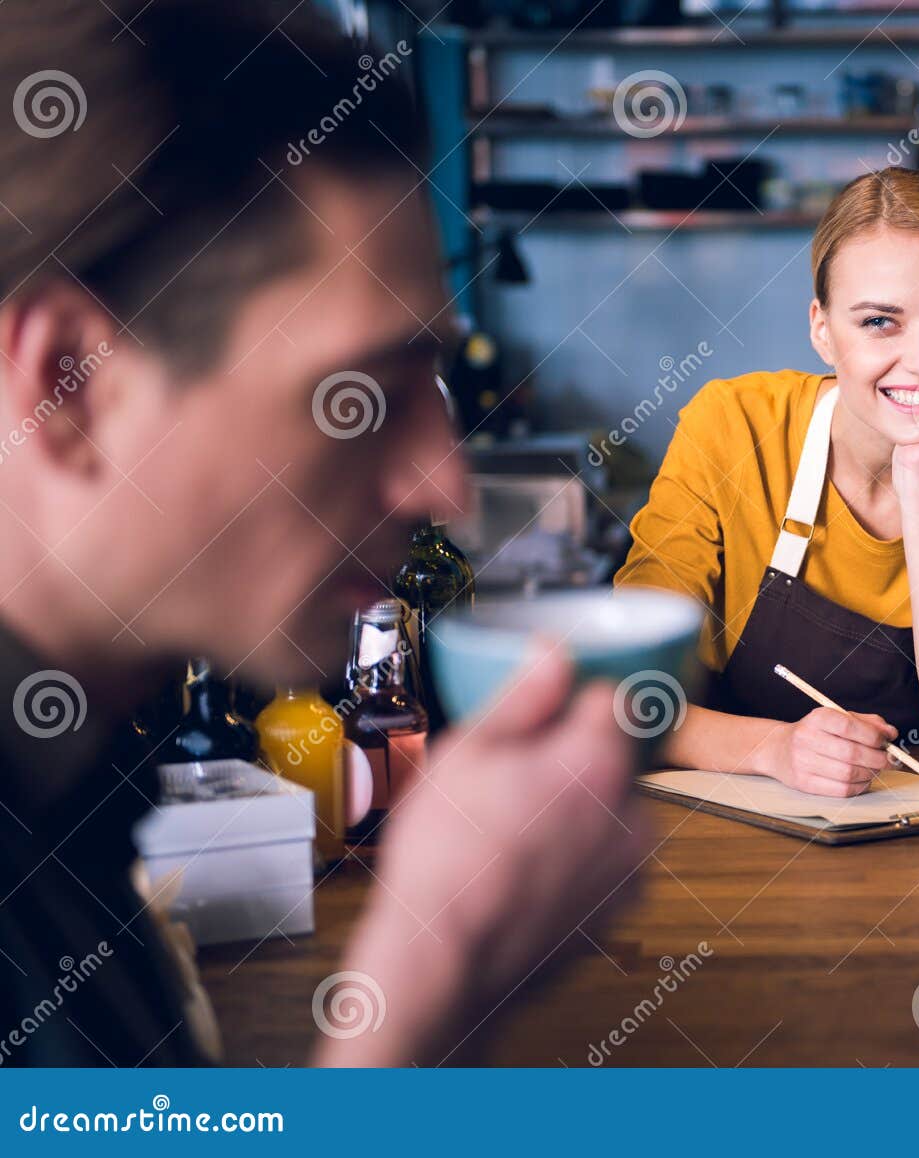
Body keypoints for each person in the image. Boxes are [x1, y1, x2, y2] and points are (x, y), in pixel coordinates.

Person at [0, 0, 646, 1066]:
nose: (442, 485)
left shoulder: (72, 790)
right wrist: (430, 987)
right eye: (362, 397)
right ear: (67, 387)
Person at [615, 167, 919, 796]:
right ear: (822, 330)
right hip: (731, 847)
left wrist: (917, 482)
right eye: (878, 322)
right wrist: (774, 748)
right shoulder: (733, 428)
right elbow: (626, 697)